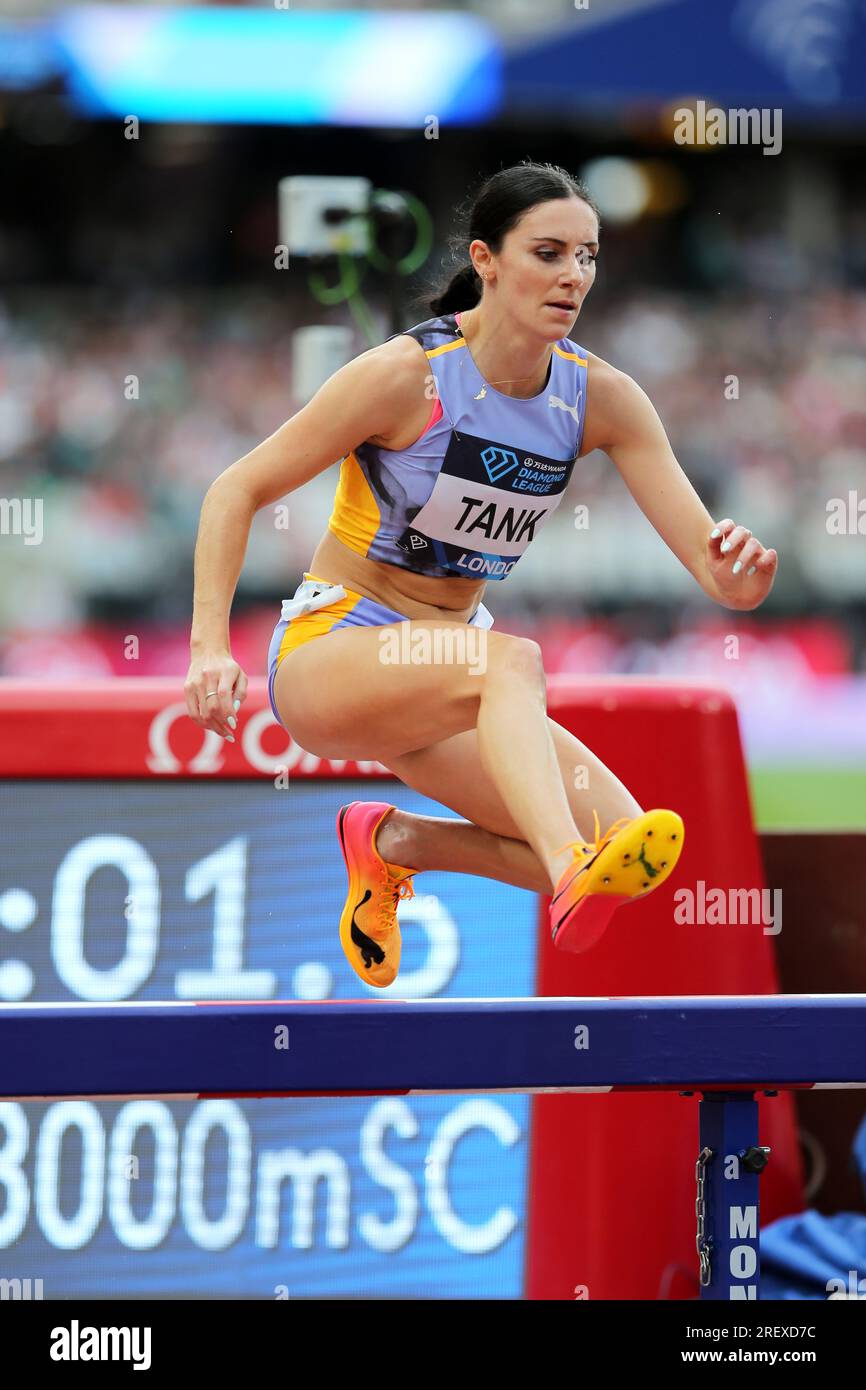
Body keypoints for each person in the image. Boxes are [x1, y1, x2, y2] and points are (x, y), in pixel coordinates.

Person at [185, 161, 778, 989]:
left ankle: (395, 844)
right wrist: (210, 646)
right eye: (549, 252)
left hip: (448, 677)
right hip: (336, 648)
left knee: (629, 852)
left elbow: (715, 570)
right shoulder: (406, 376)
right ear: (486, 259)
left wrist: (741, 582)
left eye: (589, 255)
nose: (574, 275)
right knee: (520, 679)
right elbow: (235, 488)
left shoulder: (602, 399)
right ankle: (564, 864)